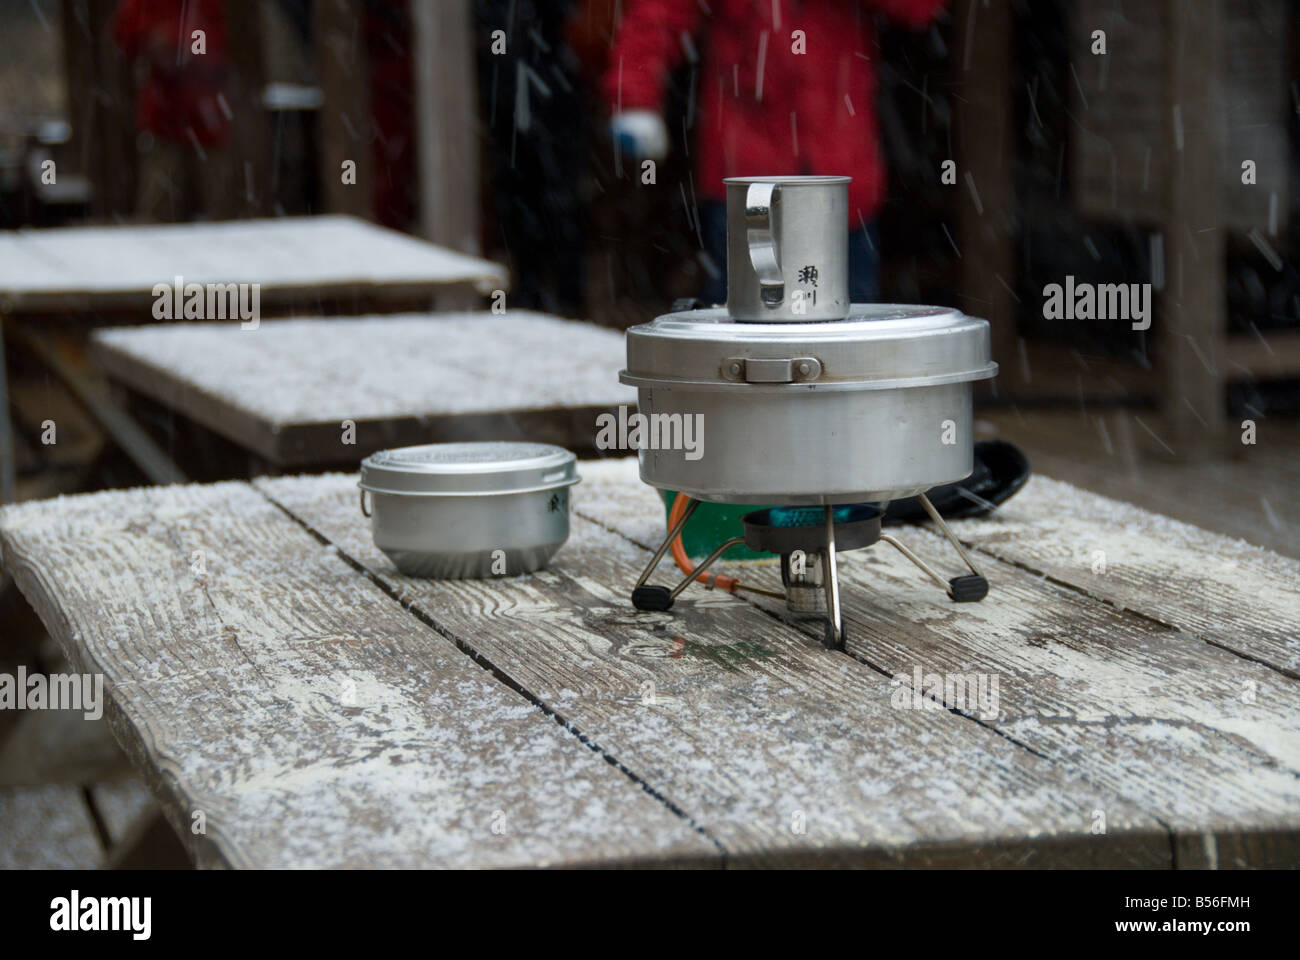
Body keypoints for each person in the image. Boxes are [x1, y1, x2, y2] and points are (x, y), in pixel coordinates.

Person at [602, 0, 947, 304]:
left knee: (846, 321)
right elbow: (660, 13)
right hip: (747, 176)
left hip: (842, 176)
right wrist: (634, 96)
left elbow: (920, 8)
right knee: (746, 321)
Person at [113, 0, 234, 222]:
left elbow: (213, 42)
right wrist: (153, 40)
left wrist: (179, 43)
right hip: (164, 116)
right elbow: (125, 34)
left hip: (205, 114)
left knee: (220, 205)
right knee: (159, 205)